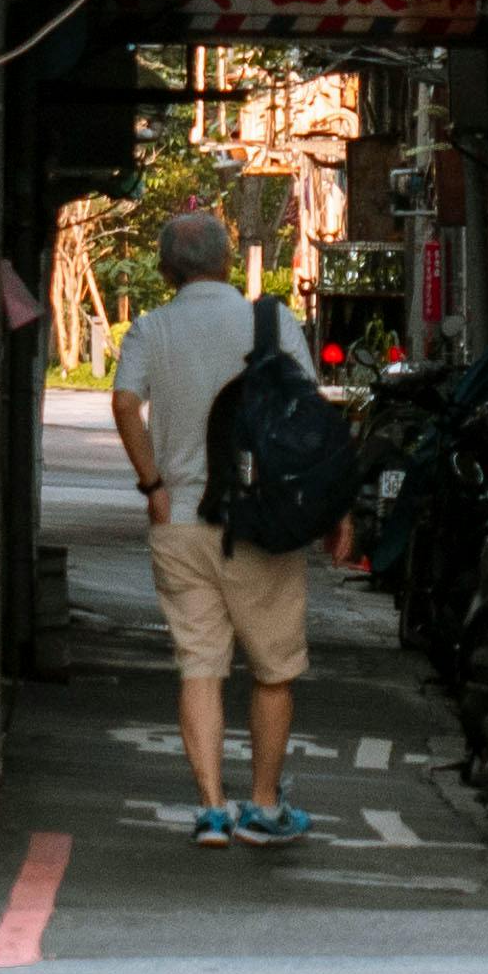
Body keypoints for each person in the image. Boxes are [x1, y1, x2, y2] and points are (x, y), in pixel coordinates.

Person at [103, 202, 317, 837]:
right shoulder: (272, 322)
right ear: (227, 261)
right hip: (258, 521)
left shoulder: (150, 329)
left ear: (166, 270)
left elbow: (124, 404)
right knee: (272, 671)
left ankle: (212, 808)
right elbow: (305, 413)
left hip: (181, 519)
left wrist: (154, 486)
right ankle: (264, 806)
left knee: (200, 666)